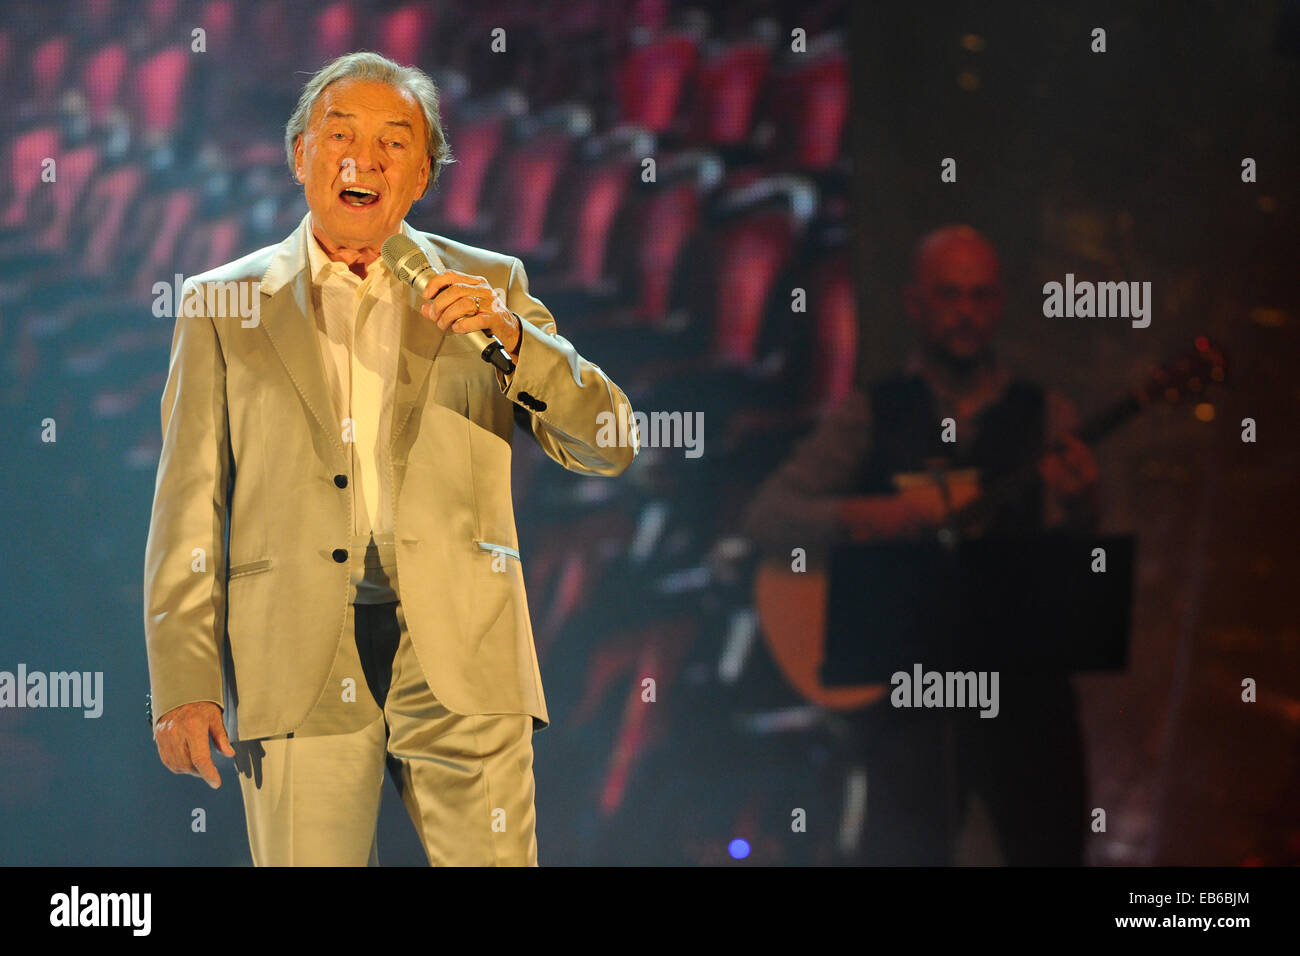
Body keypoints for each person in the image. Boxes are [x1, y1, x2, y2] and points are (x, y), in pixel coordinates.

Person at [143, 52, 639, 866]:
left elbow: (612, 445)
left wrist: (517, 340)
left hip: (462, 648)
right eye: (339, 133)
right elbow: (187, 507)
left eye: (393, 142)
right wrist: (184, 680)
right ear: (300, 154)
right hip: (295, 648)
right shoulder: (220, 303)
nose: (361, 158)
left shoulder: (489, 286)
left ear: (423, 176)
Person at [743, 224, 1099, 865]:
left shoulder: (1048, 415)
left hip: (1022, 695)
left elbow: (1077, 563)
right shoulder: (870, 411)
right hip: (909, 695)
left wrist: (1082, 509)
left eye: (981, 297)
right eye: (949, 296)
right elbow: (769, 515)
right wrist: (871, 516)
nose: (966, 314)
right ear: (916, 303)